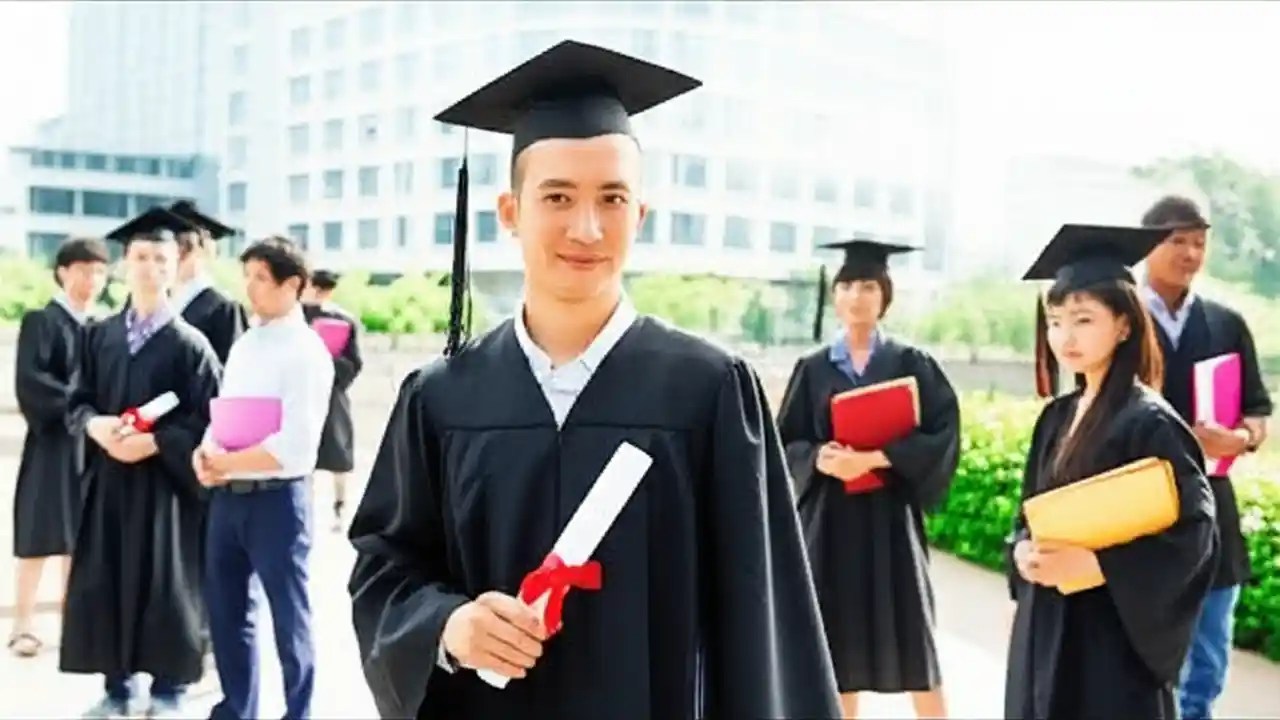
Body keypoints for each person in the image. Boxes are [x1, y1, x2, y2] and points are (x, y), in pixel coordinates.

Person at [347, 40, 841, 720]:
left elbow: (766, 626)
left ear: (640, 214)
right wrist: (446, 628)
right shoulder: (441, 398)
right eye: (557, 196)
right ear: (510, 210)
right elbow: (384, 570)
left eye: (612, 198)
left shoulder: (709, 392)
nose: (587, 226)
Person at [1004, 224, 1219, 719]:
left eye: (1083, 320)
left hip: (1111, 641)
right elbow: (1028, 512)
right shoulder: (1057, 416)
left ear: (1124, 324)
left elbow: (1195, 534)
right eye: (1055, 321)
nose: (1065, 337)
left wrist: (1099, 566)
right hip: (1048, 624)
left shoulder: (1152, 423)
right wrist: (1022, 551)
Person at [778, 240, 960, 719]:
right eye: (847, 286)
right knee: (835, 646)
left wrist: (878, 457)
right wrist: (819, 457)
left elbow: (942, 433)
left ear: (885, 296)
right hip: (831, 523)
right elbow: (784, 443)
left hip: (889, 521)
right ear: (835, 296)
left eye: (868, 286)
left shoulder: (911, 364)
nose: (857, 296)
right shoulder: (813, 368)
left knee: (914, 639)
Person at [59, 207, 223, 718]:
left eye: (160, 257)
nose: (150, 266)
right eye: (140, 256)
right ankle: (117, 688)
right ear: (124, 265)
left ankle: (170, 691)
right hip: (110, 480)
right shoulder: (99, 336)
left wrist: (157, 444)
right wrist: (96, 427)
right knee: (107, 577)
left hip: (167, 490)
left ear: (176, 267)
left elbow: (209, 418)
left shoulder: (191, 345)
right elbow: (76, 400)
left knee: (168, 585)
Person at [1137, 195, 1273, 719]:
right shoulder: (1118, 319)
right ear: (1149, 244)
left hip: (1213, 507)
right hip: (1142, 508)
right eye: (1178, 240)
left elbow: (1257, 409)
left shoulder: (1225, 323)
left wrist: (1239, 438)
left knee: (1209, 660)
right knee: (1142, 660)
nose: (1191, 253)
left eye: (1199, 242)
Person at [193, 236, 334, 720]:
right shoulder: (247, 344)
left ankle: (299, 712)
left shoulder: (307, 352)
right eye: (246, 275)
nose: (249, 287)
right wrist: (207, 453)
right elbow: (225, 413)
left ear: (292, 284)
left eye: (260, 277)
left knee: (289, 618)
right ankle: (237, 709)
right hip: (229, 499)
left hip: (278, 502)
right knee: (229, 616)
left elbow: (297, 447)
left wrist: (228, 463)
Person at [9, 237, 109, 658]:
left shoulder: (104, 328)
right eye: (83, 270)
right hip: (53, 443)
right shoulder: (41, 322)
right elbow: (31, 384)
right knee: (39, 534)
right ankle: (23, 624)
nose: (92, 280)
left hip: (96, 446)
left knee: (81, 537)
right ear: (63, 271)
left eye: (100, 272)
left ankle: (73, 623)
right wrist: (83, 412)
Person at [300, 269, 363, 531]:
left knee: (338, 454)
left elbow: (354, 362)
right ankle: (307, 509)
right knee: (306, 456)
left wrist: (328, 366)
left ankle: (340, 508)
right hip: (303, 392)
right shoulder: (295, 316)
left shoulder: (343, 319)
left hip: (333, 394)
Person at [168, 199, 249, 365]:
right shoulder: (151, 301)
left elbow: (229, 371)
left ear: (202, 250)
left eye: (184, 249)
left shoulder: (222, 309)